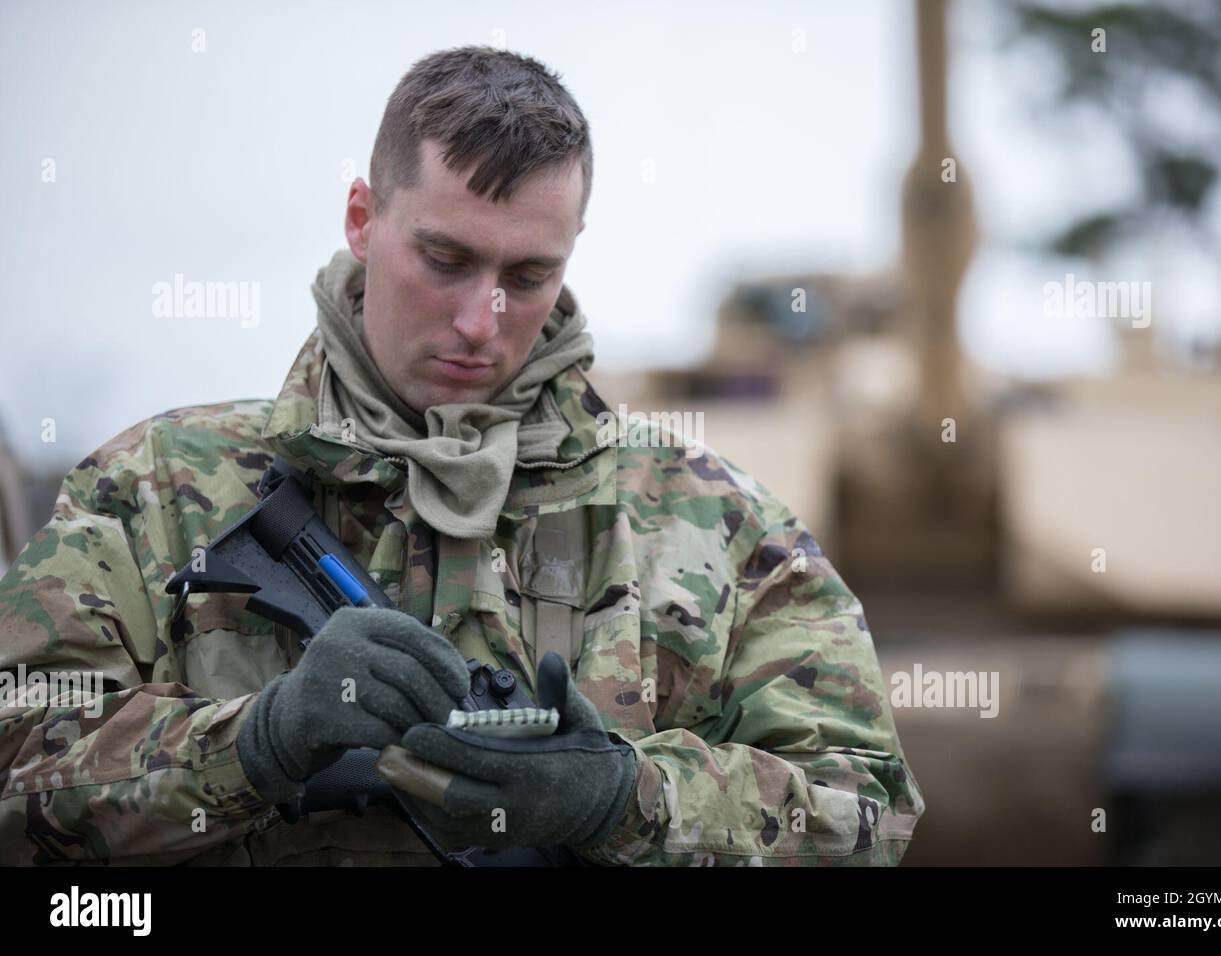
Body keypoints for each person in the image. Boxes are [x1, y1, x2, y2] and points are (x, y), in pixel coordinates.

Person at [0, 46, 923, 866]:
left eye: (528, 277)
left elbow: (867, 813)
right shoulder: (155, 491)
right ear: (363, 219)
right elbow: (15, 778)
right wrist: (255, 746)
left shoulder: (715, 523)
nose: (482, 322)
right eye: (444, 259)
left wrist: (622, 798)